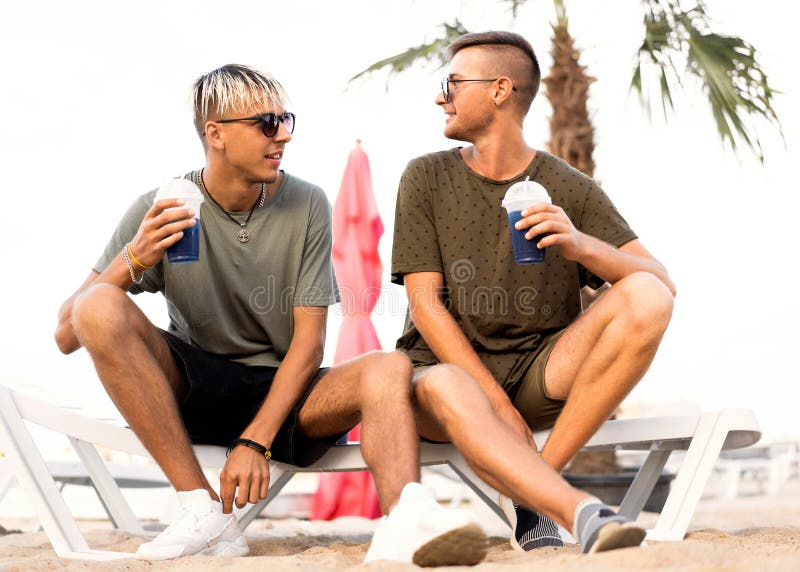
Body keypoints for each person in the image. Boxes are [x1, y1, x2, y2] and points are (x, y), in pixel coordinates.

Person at [54, 64, 488, 566]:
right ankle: (200, 509)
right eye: (265, 123)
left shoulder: (306, 203)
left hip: (286, 392)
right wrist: (134, 257)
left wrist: (254, 443)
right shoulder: (162, 206)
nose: (282, 134)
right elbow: (69, 331)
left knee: (389, 365)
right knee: (100, 302)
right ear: (214, 134)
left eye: (287, 120)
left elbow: (310, 344)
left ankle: (403, 521)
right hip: (194, 385)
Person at [392, 31, 675, 551]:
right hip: (441, 379)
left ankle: (535, 489)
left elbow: (659, 282)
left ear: (500, 90)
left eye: (452, 83)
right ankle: (548, 497)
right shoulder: (425, 176)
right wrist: (498, 407)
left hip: (539, 377)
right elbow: (425, 305)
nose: (441, 96)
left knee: (648, 297)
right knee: (444, 384)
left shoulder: (569, 186)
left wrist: (581, 244)